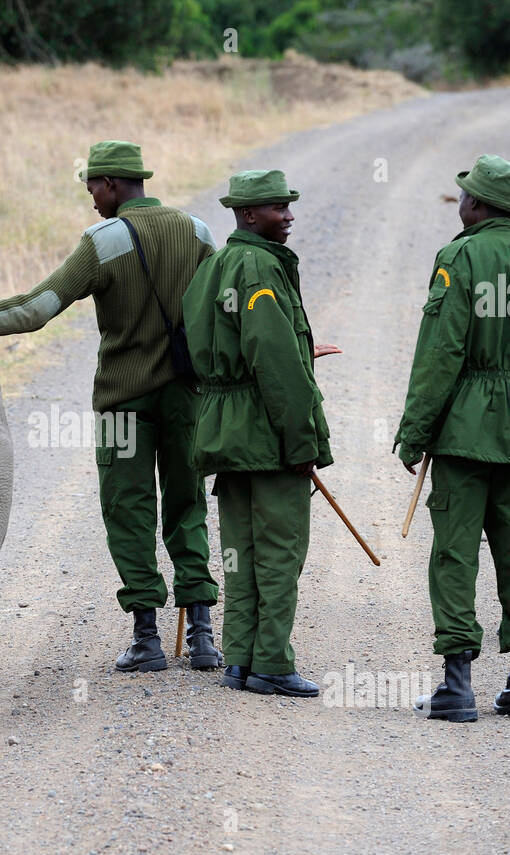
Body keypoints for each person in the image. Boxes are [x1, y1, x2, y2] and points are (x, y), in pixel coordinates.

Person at [0, 140, 221, 673]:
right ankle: (204, 636)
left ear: (114, 184)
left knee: (128, 509)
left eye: (93, 186)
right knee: (187, 506)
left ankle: (147, 638)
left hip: (123, 403)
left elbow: (34, 310)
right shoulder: (197, 231)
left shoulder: (102, 241)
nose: (91, 197)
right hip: (188, 396)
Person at [395, 154, 510, 722]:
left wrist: (415, 432)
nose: (461, 204)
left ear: (476, 205)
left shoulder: (459, 256)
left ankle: (458, 684)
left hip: (465, 432)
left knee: (454, 554)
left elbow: (441, 353)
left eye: (465, 197)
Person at [181, 169, 341, 697]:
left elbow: (211, 348)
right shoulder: (259, 268)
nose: (289, 216)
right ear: (250, 215)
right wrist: (303, 443)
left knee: (241, 552)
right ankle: (271, 662)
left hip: (225, 433)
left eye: (288, 206)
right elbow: (275, 364)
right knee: (279, 552)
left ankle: (240, 659)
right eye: (278, 208)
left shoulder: (214, 266)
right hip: (266, 437)